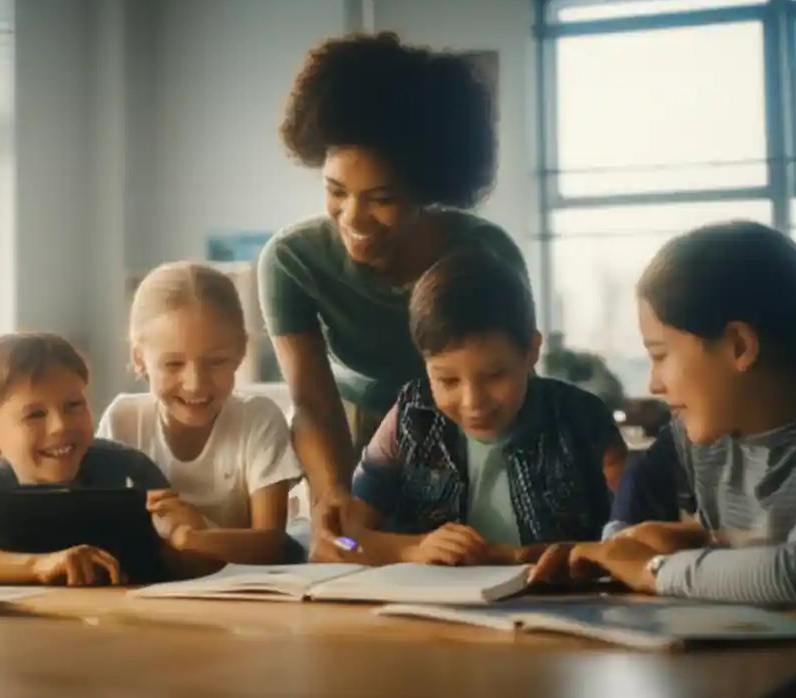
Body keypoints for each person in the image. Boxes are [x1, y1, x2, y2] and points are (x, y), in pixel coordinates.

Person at [530, 222, 796, 607]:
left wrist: (652, 568)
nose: (653, 384)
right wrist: (611, 556)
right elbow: (632, 508)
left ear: (739, 346)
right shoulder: (700, 436)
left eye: (660, 355)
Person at [258, 32, 525, 558]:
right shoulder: (291, 261)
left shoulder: (485, 256)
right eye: (336, 191)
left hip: (469, 428)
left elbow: (513, 381)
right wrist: (332, 490)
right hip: (352, 436)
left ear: (427, 190)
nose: (353, 219)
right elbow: (313, 403)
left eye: (382, 198)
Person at [321, 251, 622, 566]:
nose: (472, 402)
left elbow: (632, 541)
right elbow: (342, 538)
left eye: (494, 376)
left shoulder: (581, 419)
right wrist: (412, 549)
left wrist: (516, 557)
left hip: (562, 609)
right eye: (448, 380)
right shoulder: (412, 416)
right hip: (432, 609)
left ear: (531, 351)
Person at [0, 333, 194, 586]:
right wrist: (39, 565)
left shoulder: (129, 469)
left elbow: (183, 567)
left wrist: (189, 535)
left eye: (74, 405)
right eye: (35, 415)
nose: (61, 426)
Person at [98, 262, 303, 564]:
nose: (196, 385)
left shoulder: (258, 420)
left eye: (216, 362)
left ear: (241, 351)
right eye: (173, 364)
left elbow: (271, 544)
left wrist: (188, 537)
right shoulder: (122, 421)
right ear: (139, 359)